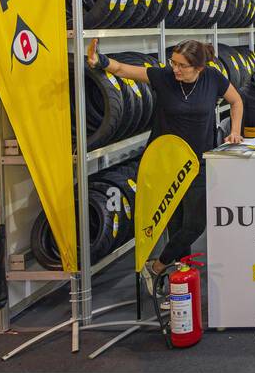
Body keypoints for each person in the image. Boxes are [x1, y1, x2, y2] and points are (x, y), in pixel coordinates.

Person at [87, 38, 242, 285]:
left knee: (195, 224)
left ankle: (158, 266)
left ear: (199, 68)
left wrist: (235, 130)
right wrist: (100, 61)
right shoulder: (165, 77)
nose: (175, 69)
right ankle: (180, 282)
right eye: (174, 63)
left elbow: (236, 101)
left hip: (197, 162)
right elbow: (123, 70)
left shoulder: (212, 77)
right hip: (165, 164)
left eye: (182, 65)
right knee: (175, 223)